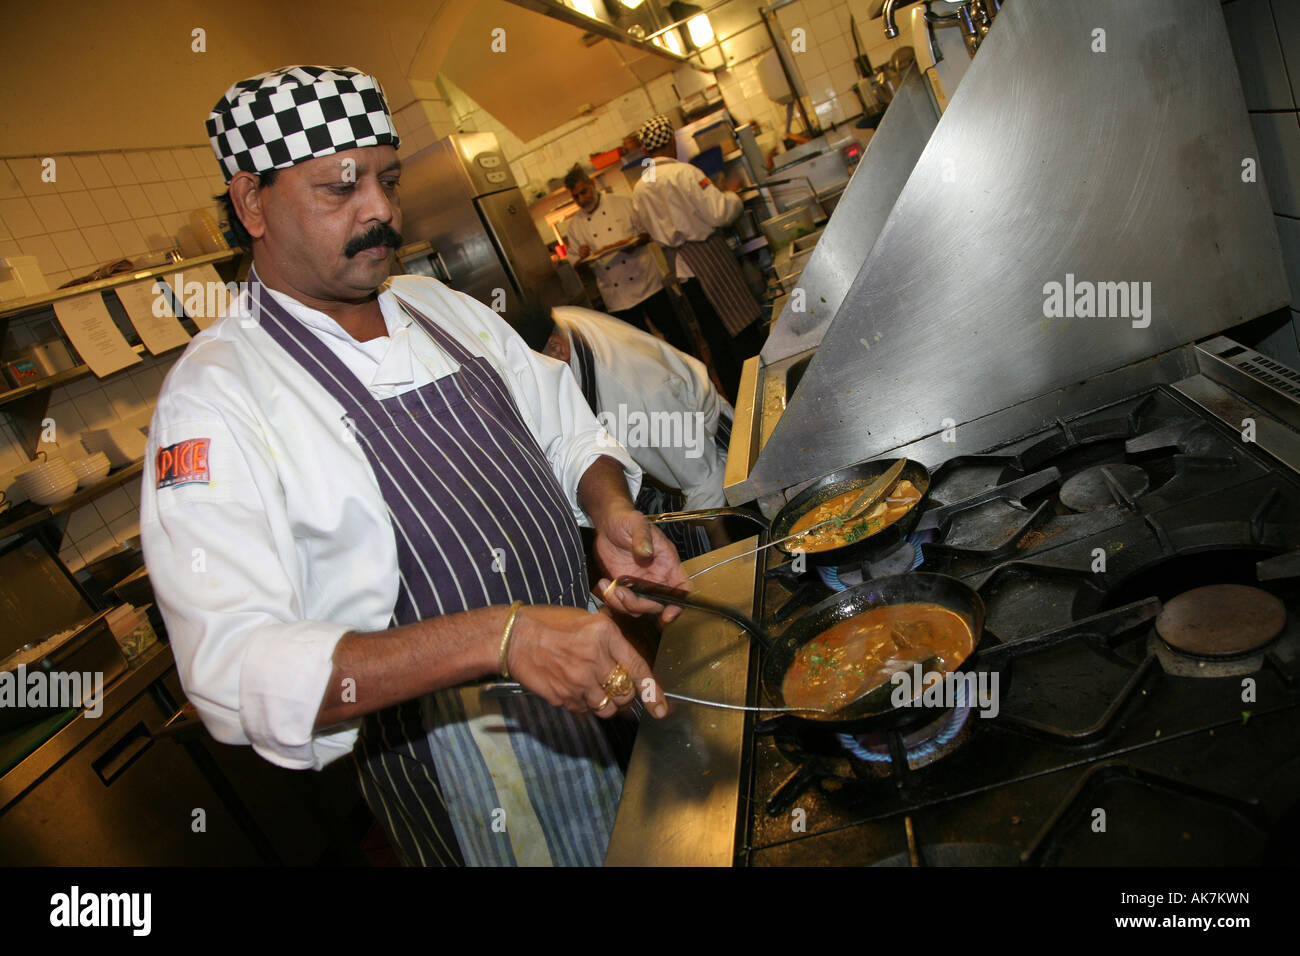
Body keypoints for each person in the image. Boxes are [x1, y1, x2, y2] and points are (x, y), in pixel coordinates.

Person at [139, 65, 689, 868]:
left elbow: (566, 428)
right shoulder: (214, 401)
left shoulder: (438, 310)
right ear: (252, 202)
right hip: (461, 768)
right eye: (340, 188)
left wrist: (608, 511)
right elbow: (232, 668)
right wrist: (501, 638)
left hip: (596, 678)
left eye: (387, 180)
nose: (382, 212)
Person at [520, 302, 735, 558]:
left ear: (557, 348)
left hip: (711, 459)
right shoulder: (562, 325)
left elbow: (706, 485)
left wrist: (727, 559)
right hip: (665, 465)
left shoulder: (636, 392)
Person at [631, 115, 766, 400]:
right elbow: (719, 212)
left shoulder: (640, 188)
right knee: (741, 329)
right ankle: (762, 390)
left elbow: (643, 228)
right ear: (670, 142)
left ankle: (738, 400)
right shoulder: (686, 173)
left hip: (683, 270)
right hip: (709, 257)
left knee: (715, 339)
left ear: (645, 151)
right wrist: (733, 197)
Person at [561, 168, 695, 357]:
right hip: (618, 298)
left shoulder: (622, 203)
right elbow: (578, 266)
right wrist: (582, 257)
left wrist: (636, 242)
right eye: (576, 197)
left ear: (593, 185)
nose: (582, 200)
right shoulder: (575, 226)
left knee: (676, 335)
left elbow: (648, 232)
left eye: (584, 192)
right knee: (640, 351)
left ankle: (693, 369)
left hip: (648, 283)